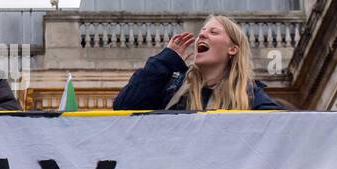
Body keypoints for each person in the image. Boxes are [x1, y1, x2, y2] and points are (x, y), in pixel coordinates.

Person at [113, 14, 282, 111]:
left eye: (214, 32)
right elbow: (124, 107)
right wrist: (165, 60)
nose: (202, 35)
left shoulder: (249, 94)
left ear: (232, 49)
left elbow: (285, 126)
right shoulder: (173, 86)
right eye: (202, 31)